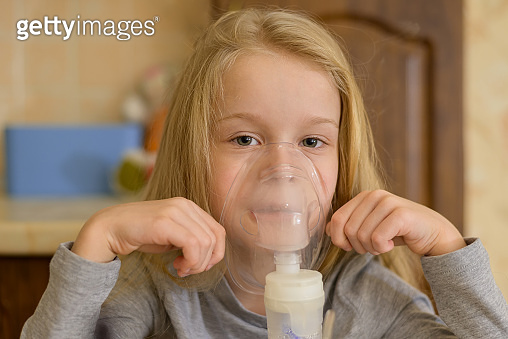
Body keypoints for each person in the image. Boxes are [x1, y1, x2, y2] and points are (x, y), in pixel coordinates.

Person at [22, 8, 508, 338]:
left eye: (312, 142)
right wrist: (97, 241)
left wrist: (446, 246)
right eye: (244, 140)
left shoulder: (362, 294)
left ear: (344, 157)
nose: (282, 169)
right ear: (194, 152)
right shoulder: (161, 287)